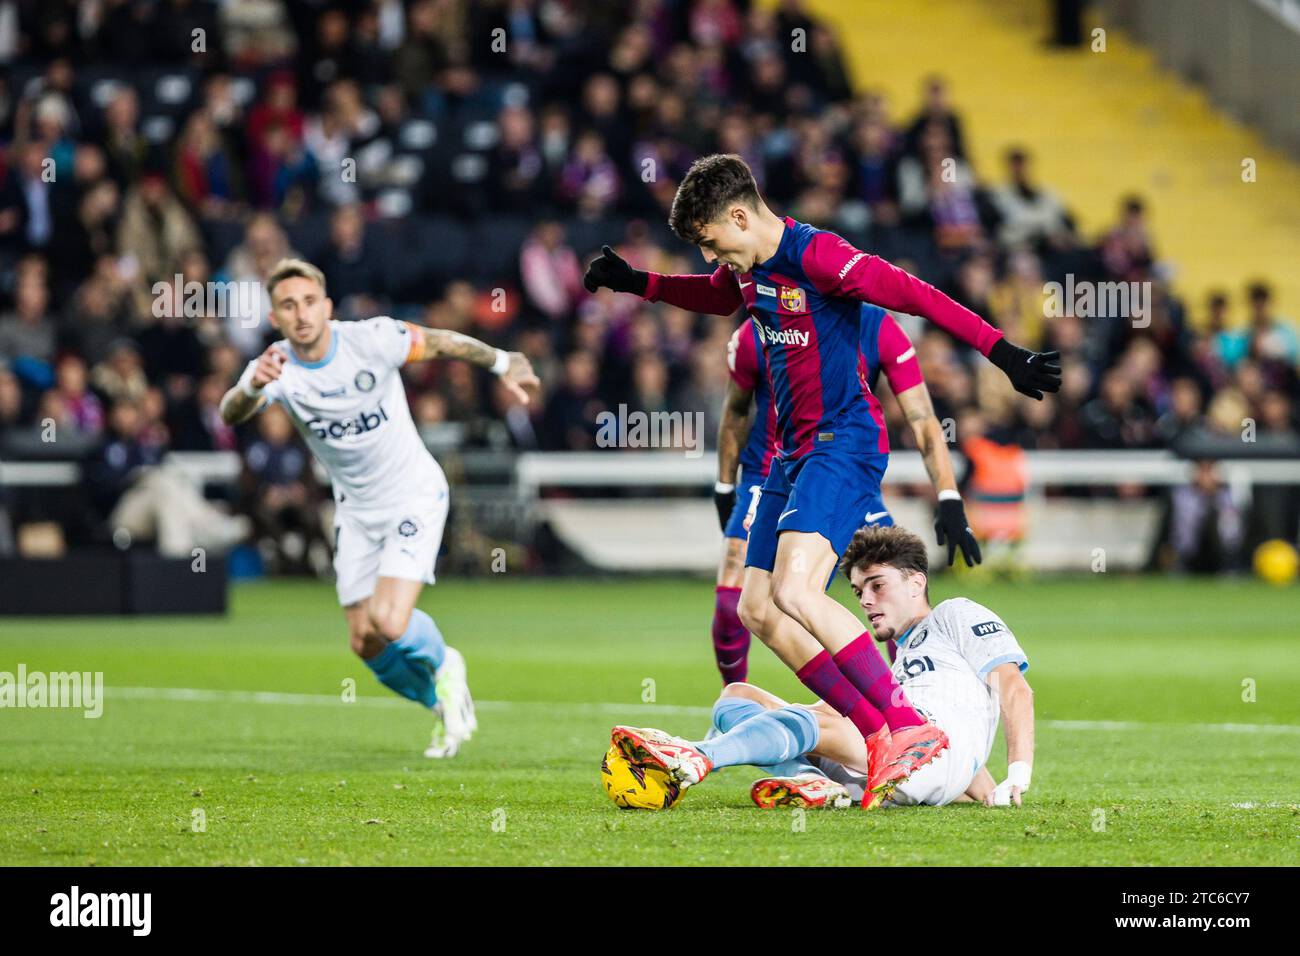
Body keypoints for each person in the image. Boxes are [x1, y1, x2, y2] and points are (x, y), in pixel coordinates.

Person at [584, 153, 1053, 795]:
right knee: (759, 608)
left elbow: (916, 295)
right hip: (789, 454)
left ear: (741, 216)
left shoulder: (820, 258)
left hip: (845, 444)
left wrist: (1002, 353)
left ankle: (902, 724)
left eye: (712, 242)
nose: (713, 258)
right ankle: (884, 732)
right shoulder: (746, 275)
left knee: (800, 592)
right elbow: (712, 295)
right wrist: (636, 282)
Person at [219, 258, 539, 757]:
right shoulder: (275, 368)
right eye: (287, 305)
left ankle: (446, 661)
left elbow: (440, 341)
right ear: (275, 317)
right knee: (364, 641)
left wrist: (502, 362)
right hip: (355, 512)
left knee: (390, 622)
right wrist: (252, 386)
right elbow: (230, 412)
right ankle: (438, 701)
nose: (300, 314)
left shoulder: (371, 339)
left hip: (413, 493)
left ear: (326, 307)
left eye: (308, 302)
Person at [611, 525, 1035, 810]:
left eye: (877, 585)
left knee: (833, 712)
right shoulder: (903, 661)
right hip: (895, 763)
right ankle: (810, 780)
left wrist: (1017, 775)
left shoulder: (955, 615)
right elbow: (963, 752)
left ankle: (696, 757)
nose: (866, 600)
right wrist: (986, 795)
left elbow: (1014, 691)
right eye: (858, 590)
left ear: (916, 582)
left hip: (915, 754)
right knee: (737, 696)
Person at [713, 302, 983, 683]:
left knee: (891, 579)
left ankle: (916, 697)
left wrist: (949, 498)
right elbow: (736, 410)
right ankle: (733, 699)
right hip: (768, 469)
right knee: (739, 602)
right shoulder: (759, 327)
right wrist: (725, 483)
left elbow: (921, 418)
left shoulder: (877, 327)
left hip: (838, 464)